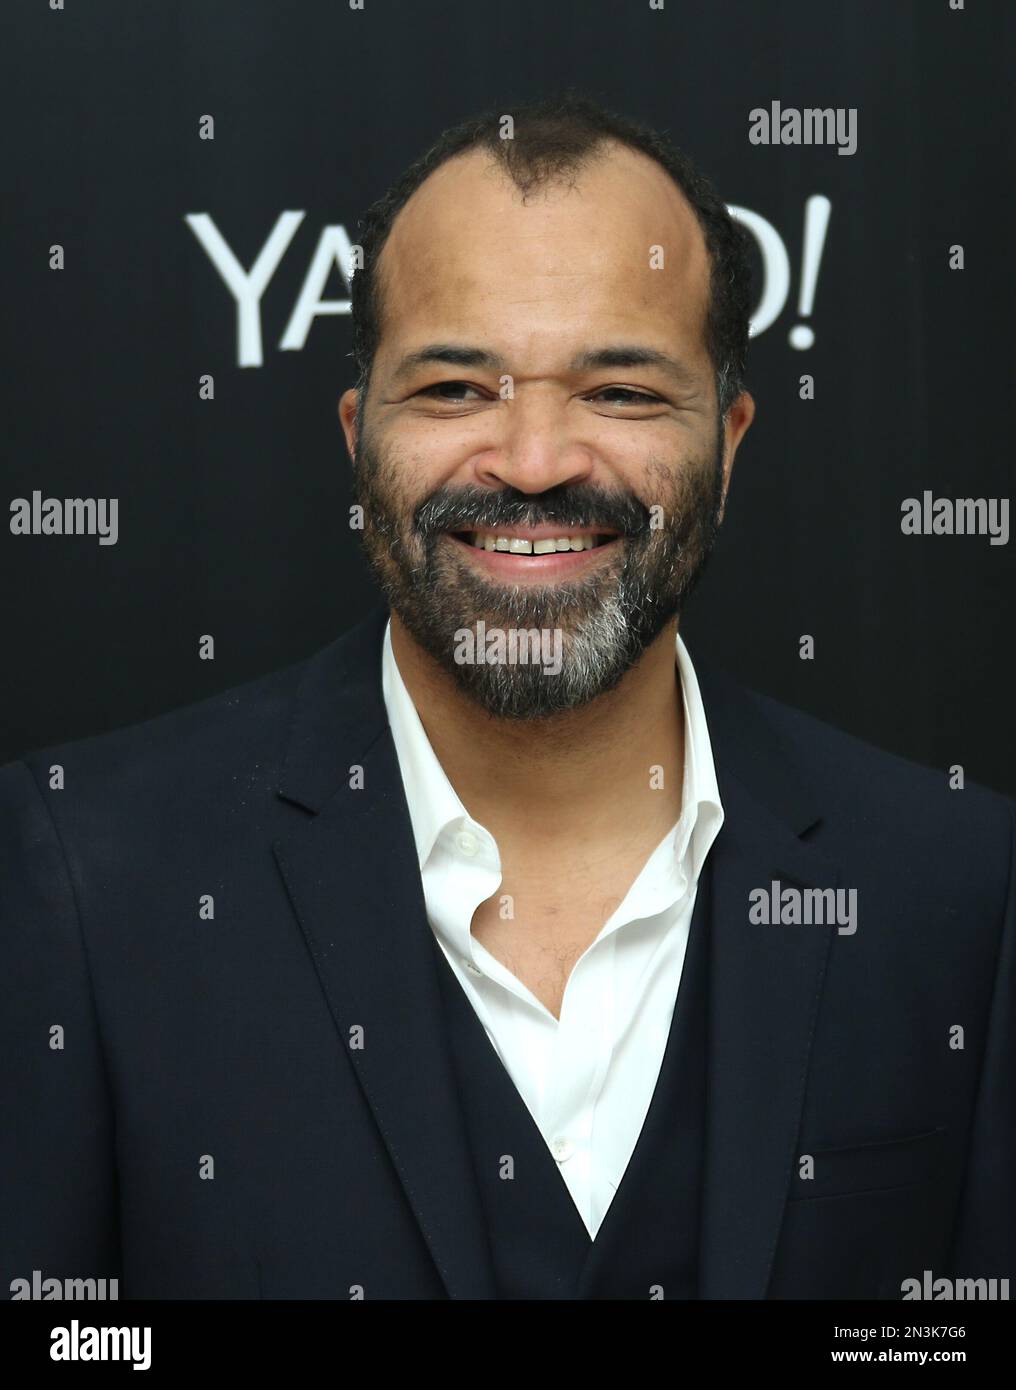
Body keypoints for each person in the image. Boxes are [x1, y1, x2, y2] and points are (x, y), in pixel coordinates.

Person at [2, 95, 1012, 1301]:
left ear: (729, 442)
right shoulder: (87, 869)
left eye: (620, 393)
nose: (533, 462)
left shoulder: (953, 882)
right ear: (355, 435)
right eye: (453, 389)